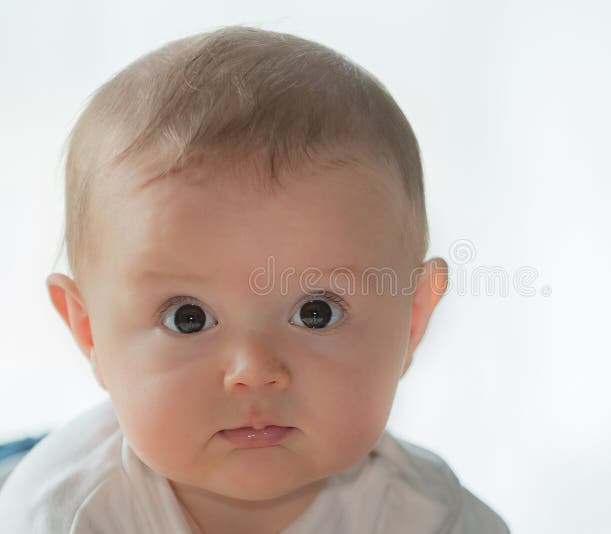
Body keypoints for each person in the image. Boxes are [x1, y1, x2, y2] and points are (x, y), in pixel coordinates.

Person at [0, 25, 510, 534]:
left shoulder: (431, 518)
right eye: (188, 317)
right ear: (90, 333)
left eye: (317, 312)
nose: (254, 370)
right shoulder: (61, 515)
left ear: (412, 319)